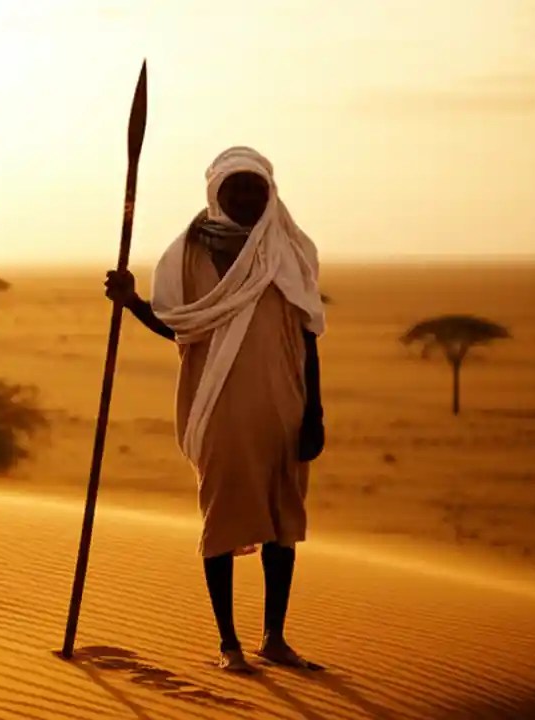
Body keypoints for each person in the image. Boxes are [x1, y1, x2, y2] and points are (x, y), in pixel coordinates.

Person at [104, 146, 326, 674]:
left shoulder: (289, 251)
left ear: (270, 192)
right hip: (220, 403)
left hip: (284, 404)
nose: (248, 196)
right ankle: (229, 645)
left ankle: (274, 638)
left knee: (282, 521)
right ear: (216, 192)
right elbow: (178, 324)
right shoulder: (187, 255)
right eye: (237, 187)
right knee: (223, 518)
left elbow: (309, 335)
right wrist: (134, 303)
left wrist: (314, 411)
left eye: (256, 187)